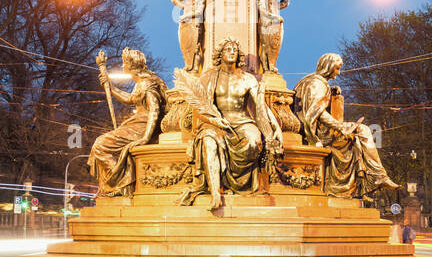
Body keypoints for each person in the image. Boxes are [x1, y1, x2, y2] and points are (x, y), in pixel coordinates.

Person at [176, 38, 283, 213]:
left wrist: (276, 128)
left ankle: (239, 183)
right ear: (220, 53)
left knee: (254, 142)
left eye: (235, 49)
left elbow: (261, 107)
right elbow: (198, 109)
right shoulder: (208, 77)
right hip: (215, 122)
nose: (232, 51)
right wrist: (214, 121)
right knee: (209, 141)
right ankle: (215, 192)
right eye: (228, 49)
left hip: (242, 121)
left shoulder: (248, 79)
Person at [293, 53, 400, 197]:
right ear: (328, 67)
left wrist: (331, 91)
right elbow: (316, 113)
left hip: (310, 129)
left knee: (357, 138)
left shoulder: (308, 81)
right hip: (318, 133)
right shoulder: (318, 84)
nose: (337, 73)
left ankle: (373, 180)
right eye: (336, 69)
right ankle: (378, 176)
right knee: (363, 130)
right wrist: (340, 127)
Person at [89, 48, 167, 196]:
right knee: (100, 143)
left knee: (100, 145)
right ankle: (117, 183)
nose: (123, 65)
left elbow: (154, 110)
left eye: (124, 62)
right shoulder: (142, 83)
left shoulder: (147, 84)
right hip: (138, 125)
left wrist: (145, 138)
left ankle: (120, 183)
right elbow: (129, 99)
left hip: (142, 128)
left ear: (130, 65)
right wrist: (111, 87)